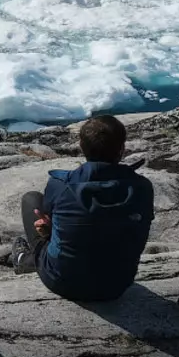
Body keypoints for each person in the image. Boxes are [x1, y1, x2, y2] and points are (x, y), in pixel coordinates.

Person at [11, 115, 155, 302]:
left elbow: (53, 216)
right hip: (117, 286)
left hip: (62, 282)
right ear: (122, 149)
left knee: (31, 199)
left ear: (81, 147)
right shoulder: (142, 187)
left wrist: (51, 230)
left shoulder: (61, 185)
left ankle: (25, 260)